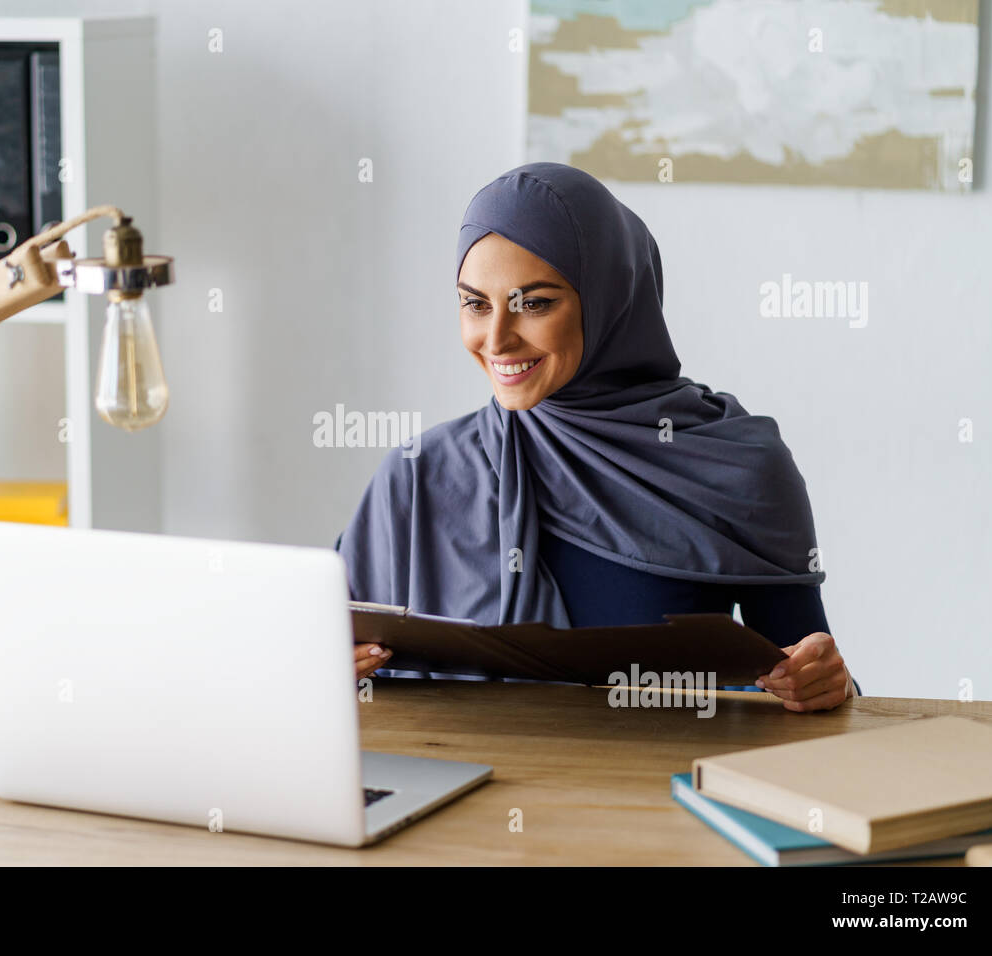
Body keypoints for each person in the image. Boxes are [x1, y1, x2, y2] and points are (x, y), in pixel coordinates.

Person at [335, 163, 855, 712]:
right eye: (474, 303)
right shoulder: (419, 475)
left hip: (658, 791)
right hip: (458, 790)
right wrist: (318, 668)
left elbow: (813, 688)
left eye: (533, 303)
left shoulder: (739, 469)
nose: (496, 339)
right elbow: (323, 669)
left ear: (610, 298)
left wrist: (825, 685)